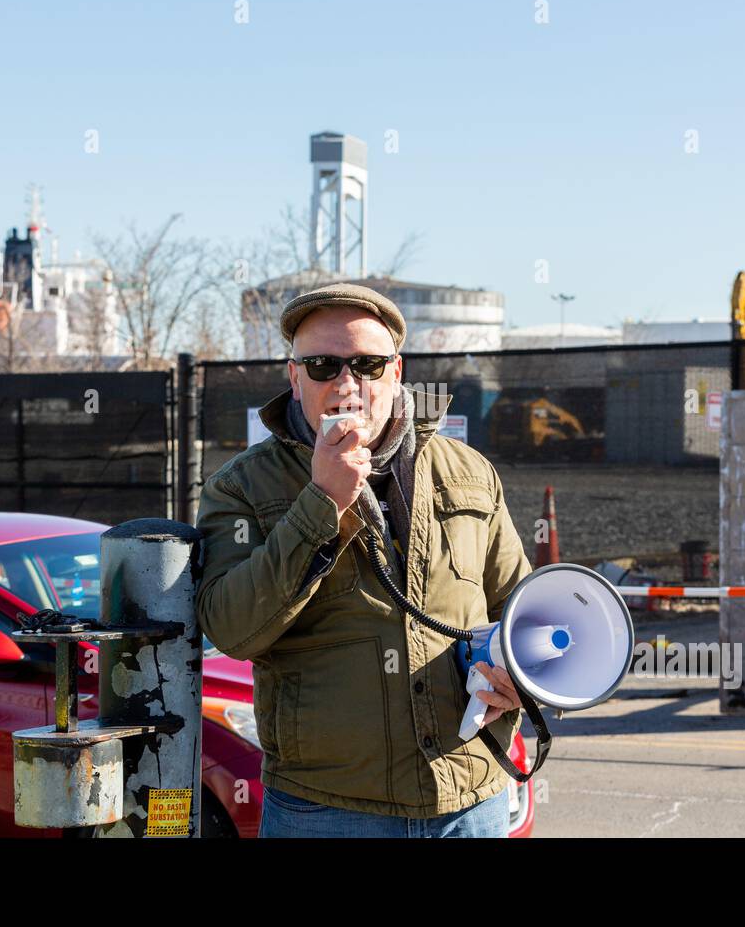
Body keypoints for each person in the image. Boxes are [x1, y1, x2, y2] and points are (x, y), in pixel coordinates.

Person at [195, 283, 532, 837]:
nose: (348, 384)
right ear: (294, 376)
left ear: (397, 372)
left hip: (471, 798)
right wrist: (321, 505)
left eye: (368, 365)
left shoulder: (467, 470)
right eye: (324, 365)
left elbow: (522, 608)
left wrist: (523, 679)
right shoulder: (242, 487)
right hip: (329, 809)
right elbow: (233, 630)